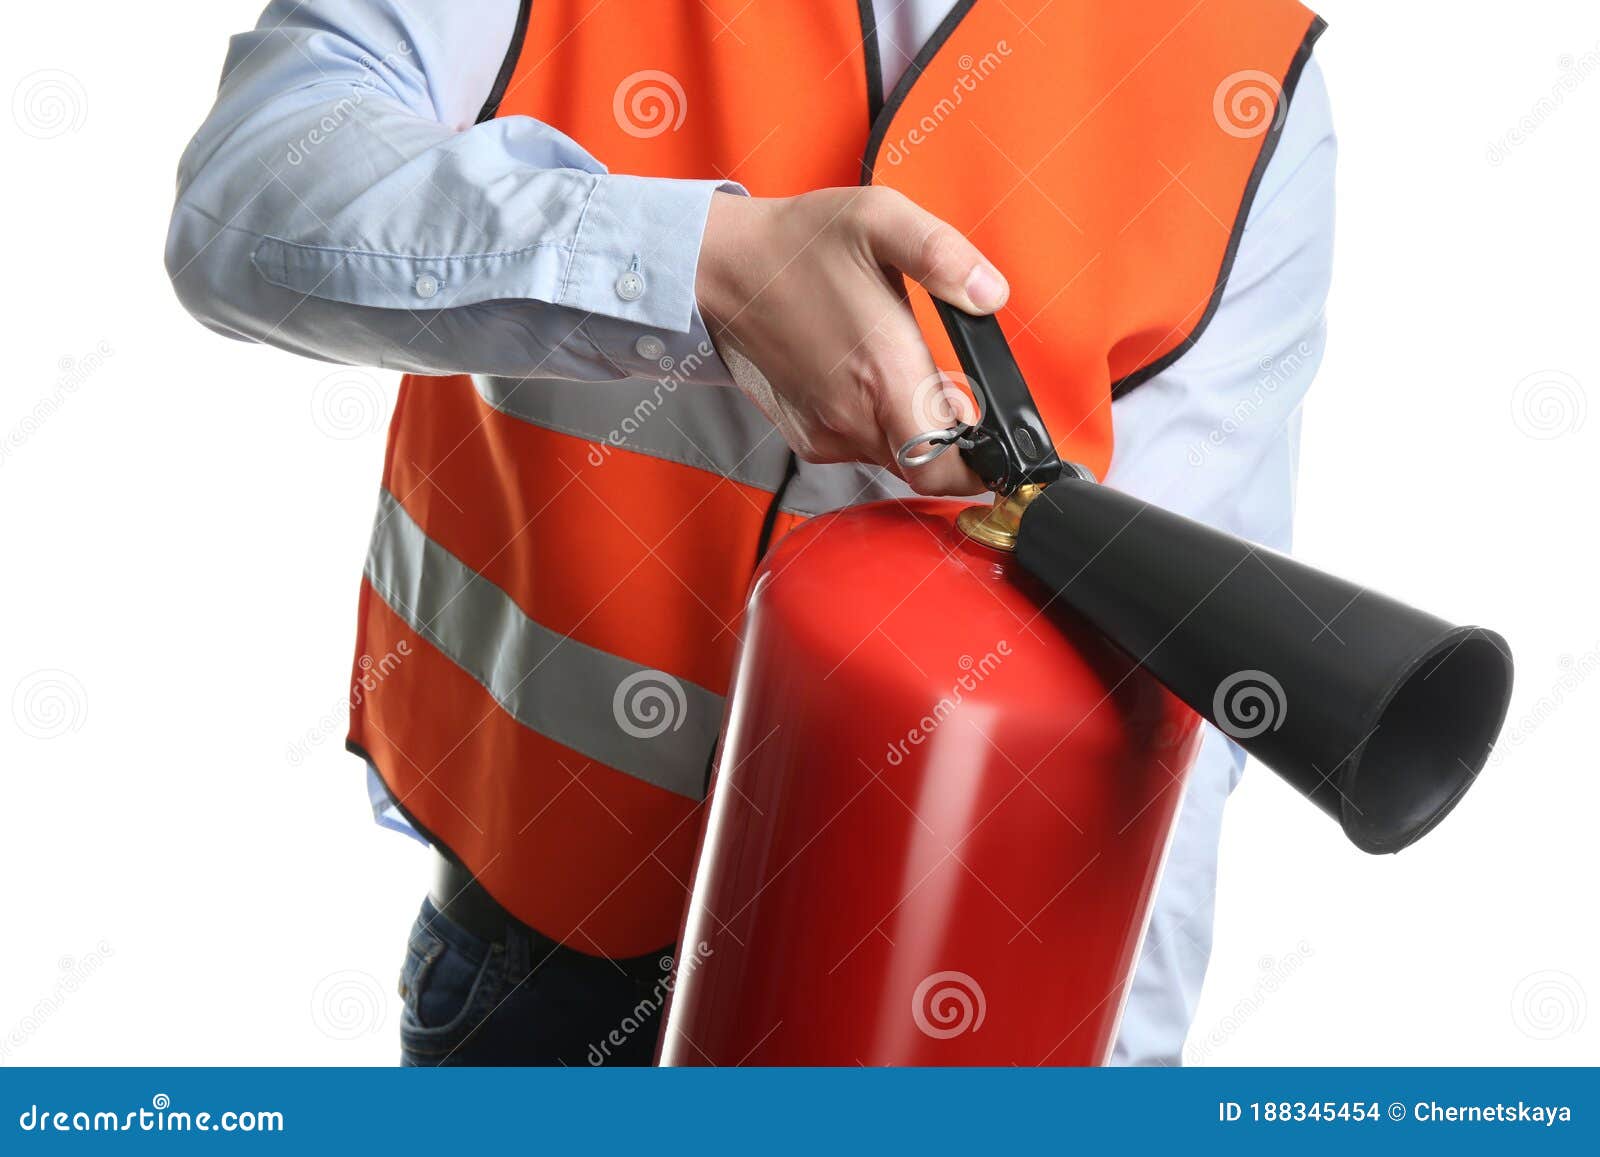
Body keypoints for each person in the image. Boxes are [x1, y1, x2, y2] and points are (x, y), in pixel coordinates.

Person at [167, 0, 1335, 1066]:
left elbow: (1175, 700)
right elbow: (250, 187)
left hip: (936, 999)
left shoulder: (1247, 75)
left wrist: (1110, 1082)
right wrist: (699, 271)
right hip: (539, 971)